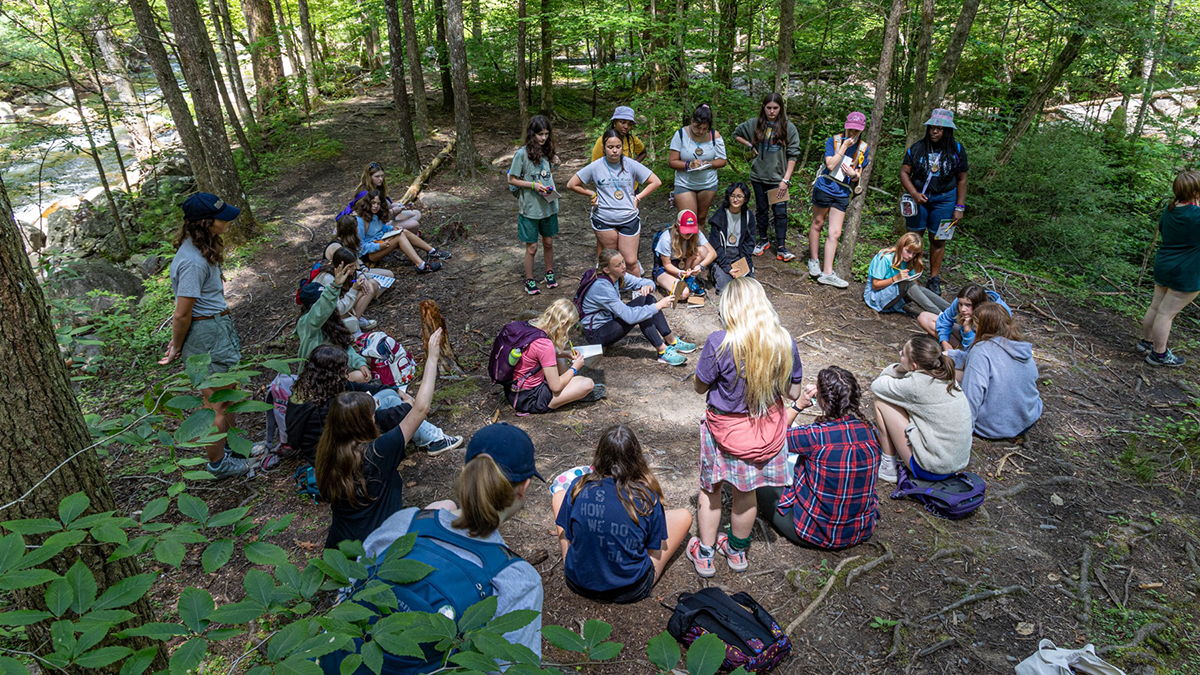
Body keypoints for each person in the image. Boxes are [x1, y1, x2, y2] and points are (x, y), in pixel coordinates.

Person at [688, 277, 803, 576]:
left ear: (730, 307)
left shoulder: (719, 341)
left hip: (724, 430)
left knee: (710, 490)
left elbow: (700, 387)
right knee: (747, 491)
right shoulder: (783, 341)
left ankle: (705, 553)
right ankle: (738, 553)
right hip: (764, 432)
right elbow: (793, 393)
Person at [315, 327, 443, 549]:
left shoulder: (326, 454)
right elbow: (420, 409)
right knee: (446, 507)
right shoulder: (379, 450)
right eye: (372, 415)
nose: (375, 418)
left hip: (341, 551)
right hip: (381, 548)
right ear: (365, 423)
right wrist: (431, 358)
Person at [161, 193, 259, 480]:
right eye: (221, 217)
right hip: (206, 334)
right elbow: (182, 313)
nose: (226, 220)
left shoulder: (201, 249)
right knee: (215, 402)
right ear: (205, 222)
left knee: (228, 394)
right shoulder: (192, 262)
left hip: (216, 327)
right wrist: (176, 345)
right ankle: (218, 463)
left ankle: (232, 448)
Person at [551, 425, 692, 603]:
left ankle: (569, 561)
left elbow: (571, 532)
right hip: (631, 589)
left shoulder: (579, 485)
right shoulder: (647, 496)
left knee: (559, 497)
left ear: (599, 455)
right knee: (684, 516)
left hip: (578, 581)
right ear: (636, 457)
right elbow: (652, 545)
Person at [757, 366, 880, 549]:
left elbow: (771, 440)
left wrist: (798, 405)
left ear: (821, 399)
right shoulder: (870, 430)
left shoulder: (815, 435)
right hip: (859, 530)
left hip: (811, 533)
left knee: (759, 483)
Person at [286, 345, 462, 464]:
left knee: (389, 395)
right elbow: (376, 420)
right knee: (392, 403)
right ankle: (435, 439)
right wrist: (408, 407)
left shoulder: (315, 385)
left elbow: (356, 387)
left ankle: (433, 437)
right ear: (332, 373)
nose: (346, 373)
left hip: (343, 441)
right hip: (336, 459)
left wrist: (395, 389)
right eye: (342, 370)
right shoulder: (325, 407)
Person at [871, 336, 973, 483]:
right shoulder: (946, 376)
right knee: (899, 400)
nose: (900, 353)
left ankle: (888, 467)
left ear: (914, 366)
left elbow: (878, 385)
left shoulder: (916, 386)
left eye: (903, 354)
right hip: (955, 463)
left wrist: (898, 368)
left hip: (931, 469)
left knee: (881, 401)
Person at [568, 129, 663, 276]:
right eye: (610, 147)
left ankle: (637, 292)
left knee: (631, 261)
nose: (614, 151)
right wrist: (591, 193)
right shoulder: (596, 166)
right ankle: (613, 290)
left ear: (622, 147)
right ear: (604, 147)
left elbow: (656, 181)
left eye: (618, 147)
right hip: (604, 219)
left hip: (628, 218)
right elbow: (572, 184)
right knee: (612, 260)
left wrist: (638, 198)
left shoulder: (631, 164)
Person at [580, 249, 696, 367]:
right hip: (597, 335)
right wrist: (659, 305)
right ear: (606, 269)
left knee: (648, 299)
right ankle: (662, 351)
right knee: (644, 309)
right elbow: (630, 317)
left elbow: (646, 281)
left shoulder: (619, 275)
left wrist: (648, 286)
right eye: (618, 265)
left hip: (610, 322)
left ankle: (671, 341)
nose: (623, 266)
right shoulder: (602, 287)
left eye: (623, 262)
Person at [900, 108, 969, 297]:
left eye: (939, 128)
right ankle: (910, 276)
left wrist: (959, 206)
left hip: (946, 200)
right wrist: (913, 193)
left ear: (947, 131)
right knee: (914, 237)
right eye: (932, 127)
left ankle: (934, 278)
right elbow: (904, 172)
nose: (935, 131)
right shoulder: (917, 148)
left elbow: (962, 179)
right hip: (920, 200)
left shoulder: (957, 150)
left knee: (939, 239)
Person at [1139, 169, 1200, 366]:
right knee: (1166, 313)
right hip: (1185, 272)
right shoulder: (1196, 215)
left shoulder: (1171, 208)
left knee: (1156, 306)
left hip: (1164, 264)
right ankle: (1159, 354)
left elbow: (1166, 229)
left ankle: (1146, 342)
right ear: (1195, 192)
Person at [504, 299, 604, 414]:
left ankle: (569, 387)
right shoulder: (545, 344)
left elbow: (536, 353)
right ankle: (567, 396)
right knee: (587, 384)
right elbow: (555, 387)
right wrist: (575, 368)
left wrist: (565, 353)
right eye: (570, 326)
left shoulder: (533, 324)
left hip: (514, 389)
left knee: (559, 357)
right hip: (529, 399)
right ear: (563, 324)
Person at [733, 93, 801, 262]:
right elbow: (736, 133)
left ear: (781, 108)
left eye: (775, 108)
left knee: (780, 212)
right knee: (762, 209)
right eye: (768, 108)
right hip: (758, 176)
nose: (772, 111)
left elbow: (793, 155)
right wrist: (750, 145)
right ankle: (763, 241)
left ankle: (782, 247)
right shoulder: (755, 124)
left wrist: (786, 179)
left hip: (778, 178)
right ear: (763, 108)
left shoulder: (788, 127)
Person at [961, 304, 1043, 440]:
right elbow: (1033, 378)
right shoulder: (1021, 347)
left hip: (993, 427)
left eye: (975, 325)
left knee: (953, 383)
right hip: (1027, 418)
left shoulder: (982, 350)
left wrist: (964, 431)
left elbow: (973, 395)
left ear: (983, 326)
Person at [807, 112, 870, 288]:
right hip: (825, 186)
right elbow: (830, 165)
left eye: (856, 130)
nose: (853, 133)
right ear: (845, 125)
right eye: (850, 129)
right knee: (818, 223)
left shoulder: (864, 147)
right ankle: (813, 260)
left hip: (842, 192)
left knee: (835, 232)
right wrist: (842, 147)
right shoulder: (833, 141)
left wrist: (854, 175)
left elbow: (859, 174)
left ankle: (827, 272)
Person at [508, 115, 561, 296]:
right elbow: (512, 179)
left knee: (548, 242)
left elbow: (546, 174)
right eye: (540, 134)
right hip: (530, 208)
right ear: (532, 134)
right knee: (532, 247)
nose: (543, 138)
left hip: (548, 205)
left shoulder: (547, 151)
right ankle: (529, 280)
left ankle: (549, 273)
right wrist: (532, 185)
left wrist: (556, 165)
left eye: (546, 134)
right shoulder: (521, 154)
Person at [296, 261, 371, 382]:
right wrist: (334, 286)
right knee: (359, 377)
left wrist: (360, 363)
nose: (331, 306)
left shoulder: (330, 322)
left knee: (366, 368)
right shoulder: (307, 324)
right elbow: (321, 309)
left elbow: (345, 347)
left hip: (335, 371)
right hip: (315, 379)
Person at [347, 193, 448, 272]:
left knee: (403, 231)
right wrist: (379, 246)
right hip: (368, 254)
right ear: (367, 203)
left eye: (378, 204)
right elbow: (360, 248)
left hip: (378, 242)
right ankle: (421, 265)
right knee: (399, 236)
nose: (375, 206)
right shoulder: (359, 222)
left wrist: (391, 229)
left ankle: (432, 251)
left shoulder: (374, 215)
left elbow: (381, 228)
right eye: (373, 203)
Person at [669, 104, 728, 227]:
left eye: (704, 128)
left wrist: (710, 164)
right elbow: (672, 161)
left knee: (701, 218)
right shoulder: (680, 134)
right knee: (688, 220)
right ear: (692, 121)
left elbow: (722, 160)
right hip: (684, 183)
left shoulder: (714, 135)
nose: (700, 131)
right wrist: (688, 164)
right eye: (697, 127)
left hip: (707, 184)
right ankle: (683, 245)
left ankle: (699, 245)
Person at [863, 233, 949, 315]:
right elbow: (875, 285)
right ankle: (939, 314)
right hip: (875, 298)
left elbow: (913, 285)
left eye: (914, 254)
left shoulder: (909, 261)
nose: (910, 256)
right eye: (908, 251)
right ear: (901, 246)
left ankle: (953, 310)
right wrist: (895, 278)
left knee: (920, 289)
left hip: (894, 297)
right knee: (907, 284)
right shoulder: (886, 258)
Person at [917, 284, 1011, 355]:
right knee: (924, 317)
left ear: (979, 304)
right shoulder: (960, 301)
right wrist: (944, 342)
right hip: (964, 335)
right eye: (961, 304)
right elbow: (945, 320)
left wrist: (968, 330)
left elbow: (988, 347)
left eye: (968, 305)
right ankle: (956, 349)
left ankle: (961, 353)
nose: (962, 309)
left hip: (984, 347)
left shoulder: (996, 312)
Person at [312, 245, 382, 335]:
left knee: (372, 283)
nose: (356, 268)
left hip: (339, 308)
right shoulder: (329, 279)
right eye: (352, 266)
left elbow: (363, 275)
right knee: (369, 288)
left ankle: (354, 320)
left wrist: (362, 278)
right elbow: (338, 308)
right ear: (342, 265)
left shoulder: (347, 273)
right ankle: (352, 325)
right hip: (327, 316)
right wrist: (354, 289)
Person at [336, 162, 422, 231]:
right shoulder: (365, 194)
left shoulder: (377, 189)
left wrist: (402, 206)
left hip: (385, 218)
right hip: (373, 225)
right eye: (377, 176)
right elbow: (370, 218)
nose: (380, 179)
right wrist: (393, 211)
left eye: (382, 176)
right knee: (414, 224)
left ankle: (406, 234)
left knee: (416, 214)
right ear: (369, 177)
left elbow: (388, 205)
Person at [652, 210, 717, 300]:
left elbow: (712, 253)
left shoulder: (696, 233)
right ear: (677, 227)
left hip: (684, 263)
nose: (688, 234)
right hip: (666, 269)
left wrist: (700, 266)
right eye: (685, 230)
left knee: (703, 250)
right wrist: (679, 272)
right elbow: (667, 264)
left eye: (691, 230)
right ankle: (669, 283)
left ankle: (688, 279)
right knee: (684, 293)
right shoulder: (666, 238)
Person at [708, 182, 756, 293]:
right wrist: (728, 268)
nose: (735, 200)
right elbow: (715, 246)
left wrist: (743, 263)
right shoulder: (719, 216)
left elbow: (750, 242)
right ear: (728, 197)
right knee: (726, 289)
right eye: (732, 196)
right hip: (722, 256)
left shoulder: (748, 216)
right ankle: (715, 272)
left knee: (748, 288)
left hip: (740, 255)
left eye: (739, 196)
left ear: (745, 199)